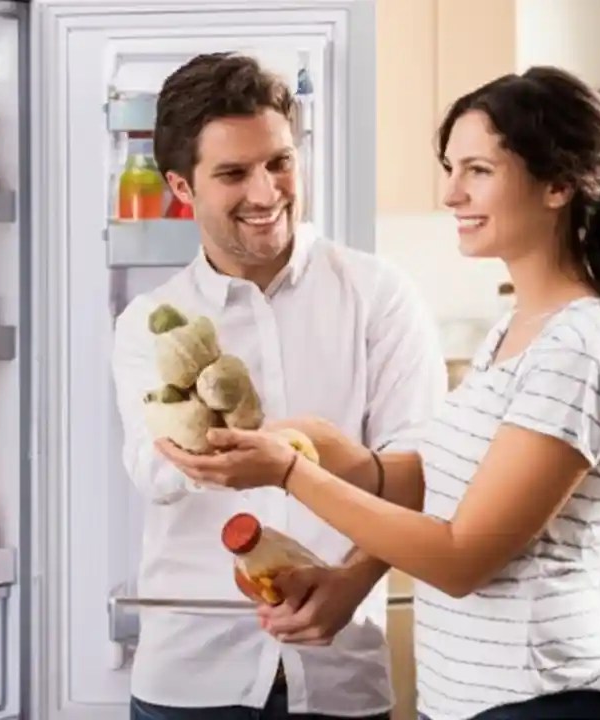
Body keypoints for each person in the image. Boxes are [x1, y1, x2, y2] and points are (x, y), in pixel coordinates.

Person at [156, 65, 600, 720]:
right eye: (451, 168)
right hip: (469, 704)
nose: (451, 194)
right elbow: (442, 486)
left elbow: (462, 559)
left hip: (541, 699)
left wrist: (291, 473)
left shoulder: (579, 347)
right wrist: (336, 453)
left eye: (478, 170)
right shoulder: (516, 332)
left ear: (559, 184)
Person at [110, 52, 448, 719]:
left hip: (341, 670)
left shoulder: (378, 295)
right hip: (191, 678)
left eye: (280, 163)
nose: (266, 194)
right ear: (182, 187)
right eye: (234, 174)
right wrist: (223, 455)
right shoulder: (151, 322)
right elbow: (155, 472)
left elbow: (420, 473)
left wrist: (352, 582)